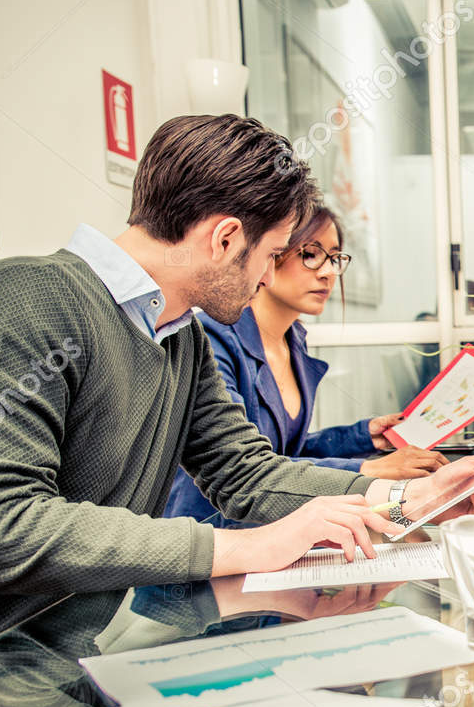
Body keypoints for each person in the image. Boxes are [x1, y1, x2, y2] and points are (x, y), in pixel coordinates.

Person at [0, 114, 474, 683]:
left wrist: (402, 501)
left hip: (64, 656)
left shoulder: (182, 337)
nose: (269, 275)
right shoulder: (20, 302)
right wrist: (242, 547)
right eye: (272, 254)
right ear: (227, 238)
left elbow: (245, 475)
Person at [165, 205, 445, 529]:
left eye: (335, 258)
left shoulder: (292, 341)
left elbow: (283, 453)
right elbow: (248, 469)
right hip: (211, 540)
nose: (327, 272)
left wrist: (362, 437)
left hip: (271, 535)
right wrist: (368, 471)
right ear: (269, 253)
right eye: (310, 254)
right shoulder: (213, 340)